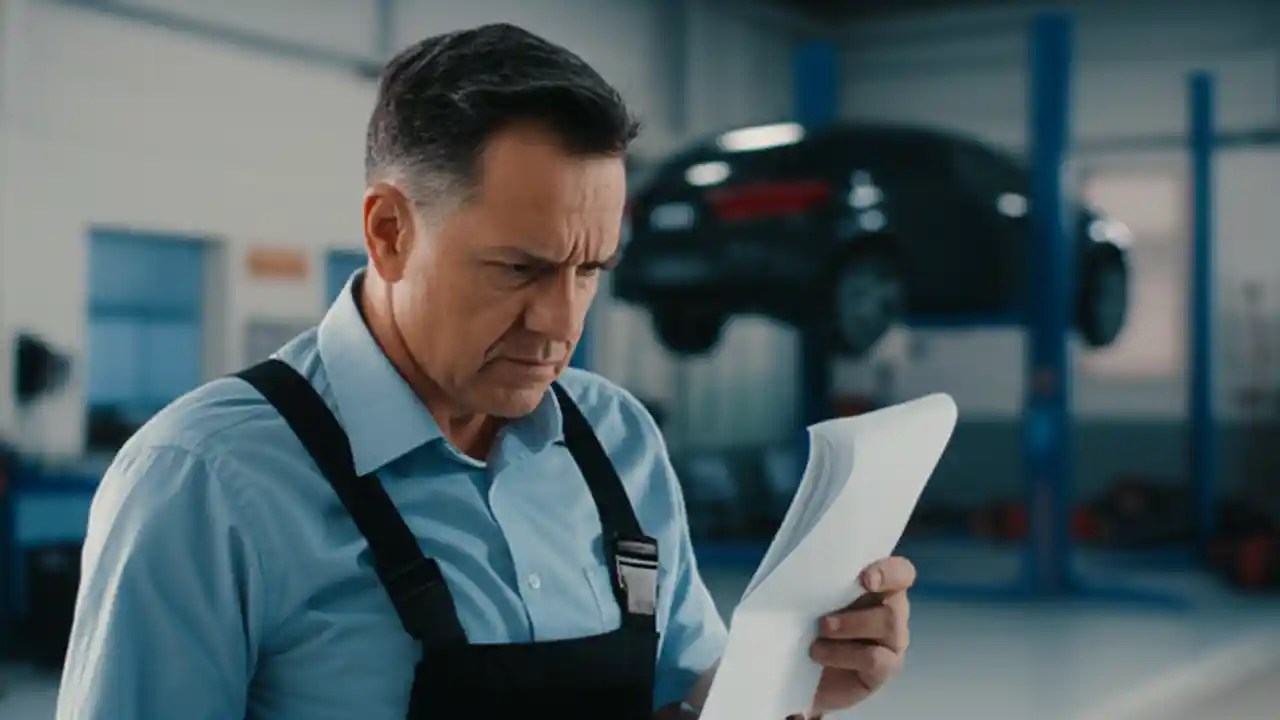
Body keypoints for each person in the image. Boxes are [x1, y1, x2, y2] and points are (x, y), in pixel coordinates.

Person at [56, 23, 916, 720]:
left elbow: (688, 687)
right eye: (518, 269)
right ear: (391, 232)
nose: (561, 324)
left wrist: (800, 682)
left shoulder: (616, 441)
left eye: (590, 273)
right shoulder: (202, 484)